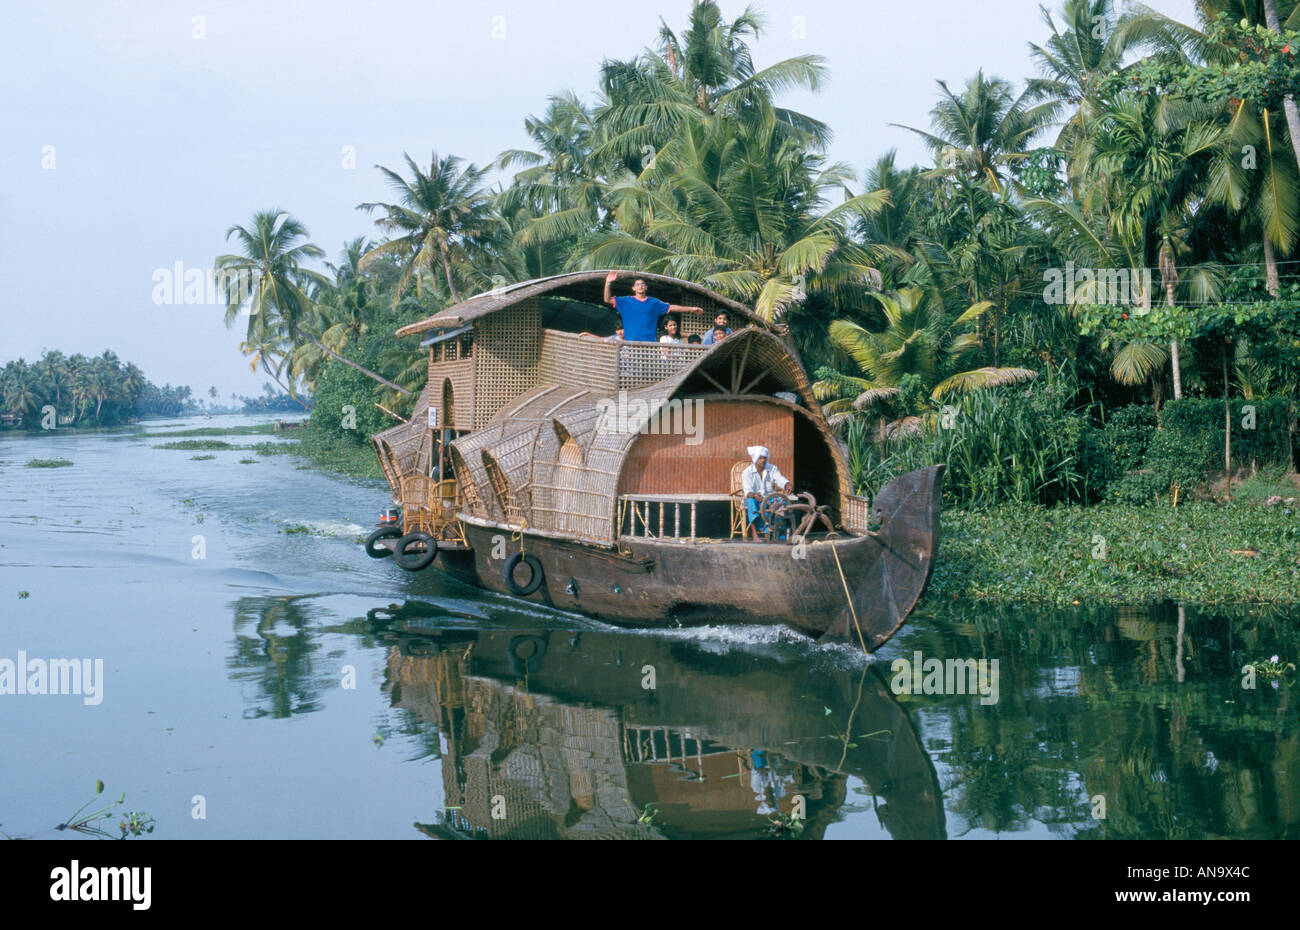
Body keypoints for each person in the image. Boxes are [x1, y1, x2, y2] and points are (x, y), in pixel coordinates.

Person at [604, 271, 705, 341]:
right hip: (631, 343)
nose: (640, 286)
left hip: (650, 343)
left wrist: (691, 309)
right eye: (637, 285)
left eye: (642, 284)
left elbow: (671, 307)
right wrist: (608, 282)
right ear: (633, 288)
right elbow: (607, 299)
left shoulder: (653, 302)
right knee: (633, 371)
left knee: (649, 371)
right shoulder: (625, 301)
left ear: (646, 287)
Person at [742, 445, 792, 541]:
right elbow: (747, 491)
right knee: (750, 501)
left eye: (764, 458)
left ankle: (781, 533)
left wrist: (787, 484)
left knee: (784, 503)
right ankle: (754, 535)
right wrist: (754, 495)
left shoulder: (772, 469)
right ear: (755, 459)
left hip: (770, 499)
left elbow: (779, 479)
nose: (763, 460)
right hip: (756, 499)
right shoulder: (747, 472)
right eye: (760, 458)